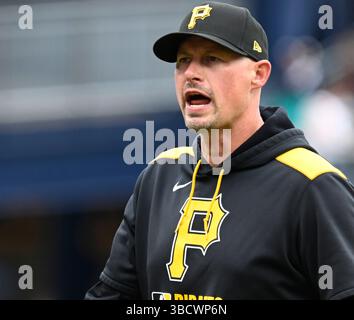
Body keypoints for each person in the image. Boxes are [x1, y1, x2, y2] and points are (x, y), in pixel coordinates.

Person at [85, 2, 354, 300]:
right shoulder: (157, 177)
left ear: (259, 74)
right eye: (182, 61)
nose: (191, 73)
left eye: (211, 59)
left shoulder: (313, 185)